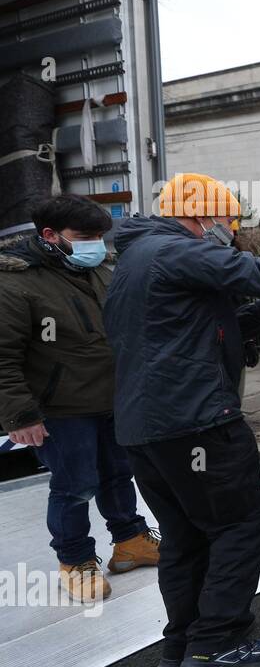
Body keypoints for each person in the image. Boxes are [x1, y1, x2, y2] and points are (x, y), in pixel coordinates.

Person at [103, 174, 260, 667]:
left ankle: (181, 644)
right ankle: (217, 644)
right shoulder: (174, 250)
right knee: (240, 523)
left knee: (186, 536)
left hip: (147, 428)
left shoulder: (138, 258)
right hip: (196, 424)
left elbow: (197, 330)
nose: (231, 231)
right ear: (200, 217)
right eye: (228, 221)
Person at [0, 194, 156, 602]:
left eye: (101, 237)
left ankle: (130, 541)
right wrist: (19, 416)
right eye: (85, 237)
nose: (96, 245)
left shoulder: (99, 270)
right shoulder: (15, 283)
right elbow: (3, 357)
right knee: (75, 485)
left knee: (119, 473)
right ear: (50, 235)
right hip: (61, 410)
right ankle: (75, 560)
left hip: (112, 400)